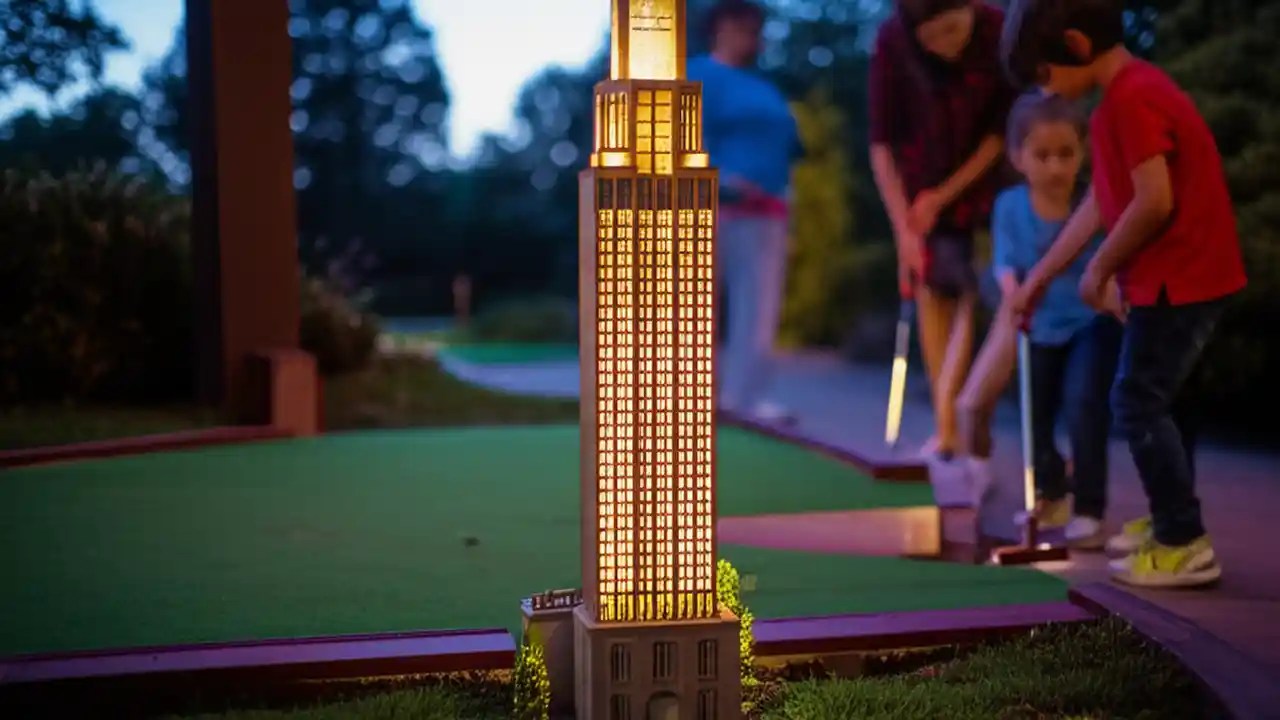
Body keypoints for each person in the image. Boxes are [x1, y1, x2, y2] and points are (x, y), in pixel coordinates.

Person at [1002, 0, 1247, 587]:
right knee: (1170, 400)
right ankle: (1173, 520)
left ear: (1078, 46)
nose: (1045, 92)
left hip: (1181, 276)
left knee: (1137, 402)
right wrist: (1040, 278)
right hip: (1179, 275)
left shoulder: (1131, 99)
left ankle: (1184, 541)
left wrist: (1099, 272)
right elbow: (1102, 203)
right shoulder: (1125, 98)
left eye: (1044, 74)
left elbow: (1154, 201)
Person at [956, 92, 1122, 548]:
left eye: (1065, 154)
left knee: (1084, 404)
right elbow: (1005, 261)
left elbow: (1106, 259)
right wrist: (1013, 294)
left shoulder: (1092, 203)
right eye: (1042, 155)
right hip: (1036, 323)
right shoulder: (1010, 205)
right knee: (1036, 413)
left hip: (1089, 321)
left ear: (1082, 154)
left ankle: (1089, 508)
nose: (1054, 167)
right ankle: (1051, 491)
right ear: (1018, 157)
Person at [868, 0, 1017, 462]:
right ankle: (947, 434)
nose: (945, 48)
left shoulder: (998, 29)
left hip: (995, 178)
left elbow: (1000, 132)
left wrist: (942, 197)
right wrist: (904, 232)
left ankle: (974, 424)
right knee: (936, 288)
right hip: (920, 186)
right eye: (932, 40)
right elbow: (881, 144)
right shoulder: (893, 41)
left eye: (953, 31)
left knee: (985, 296)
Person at [688, 0, 801, 424]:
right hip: (710, 209)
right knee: (694, 306)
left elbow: (788, 147)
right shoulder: (698, 75)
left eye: (754, 28)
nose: (750, 35)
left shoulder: (765, 88)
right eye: (740, 26)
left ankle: (746, 399)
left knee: (759, 309)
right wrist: (723, 181)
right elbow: (679, 141)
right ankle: (689, 399)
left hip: (767, 214)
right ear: (718, 27)